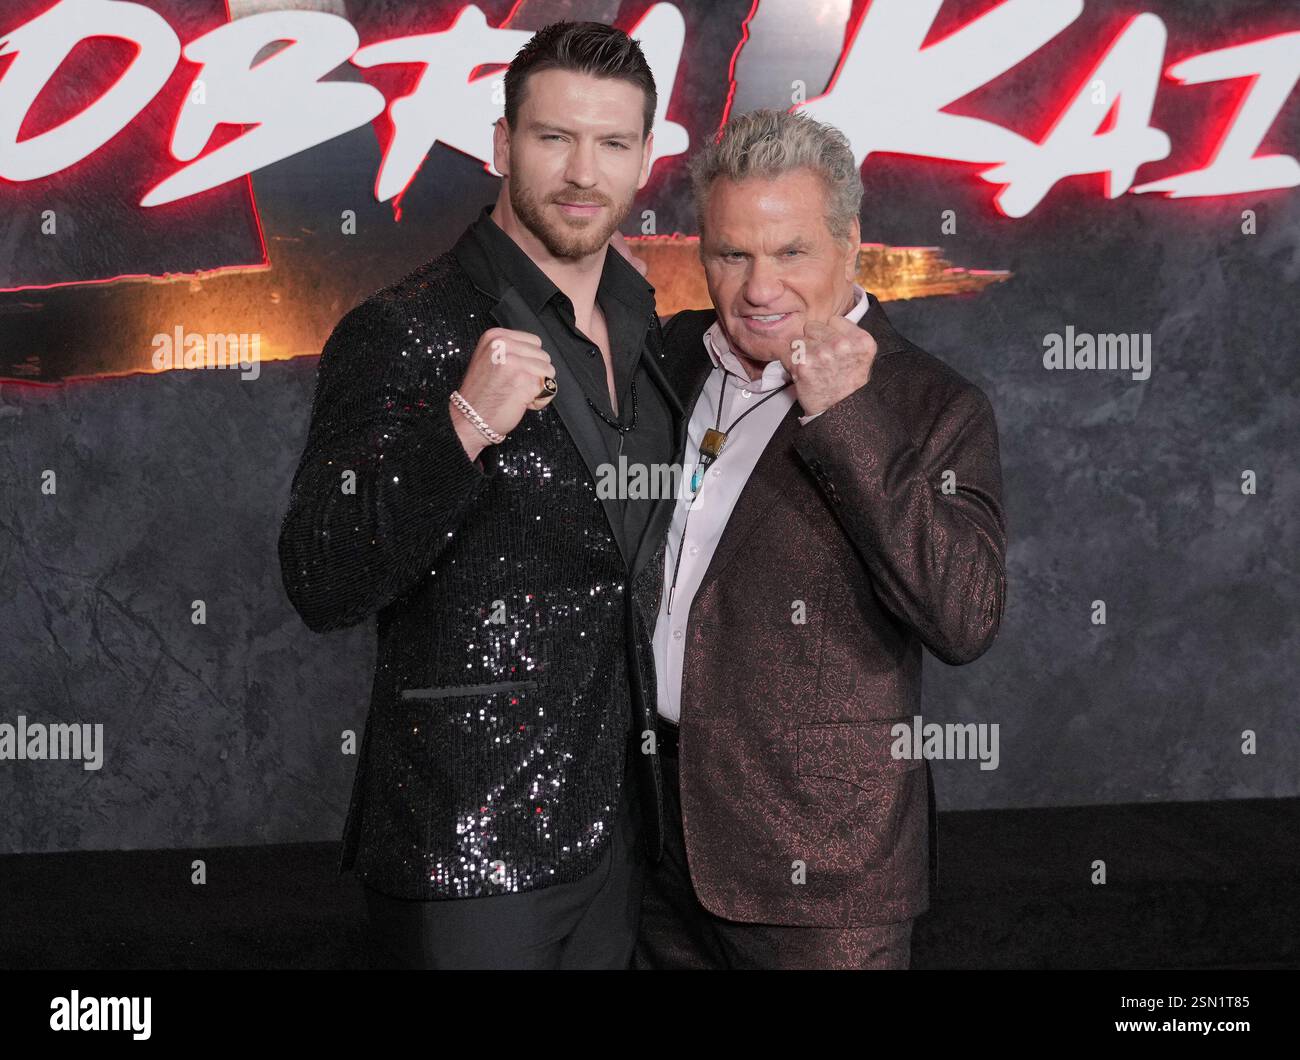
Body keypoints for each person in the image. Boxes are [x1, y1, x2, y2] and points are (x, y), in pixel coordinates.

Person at [278, 20, 682, 969]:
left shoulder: (648, 324)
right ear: (501, 146)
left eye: (613, 143)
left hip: (623, 835)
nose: (584, 172)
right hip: (464, 840)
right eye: (554, 138)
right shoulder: (403, 331)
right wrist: (462, 423)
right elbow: (319, 576)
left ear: (646, 159)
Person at [632, 108, 1008, 969]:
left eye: (791, 252)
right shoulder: (674, 358)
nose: (760, 288)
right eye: (733, 255)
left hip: (822, 878)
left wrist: (847, 417)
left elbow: (965, 617)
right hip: (652, 850)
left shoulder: (931, 406)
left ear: (850, 244)